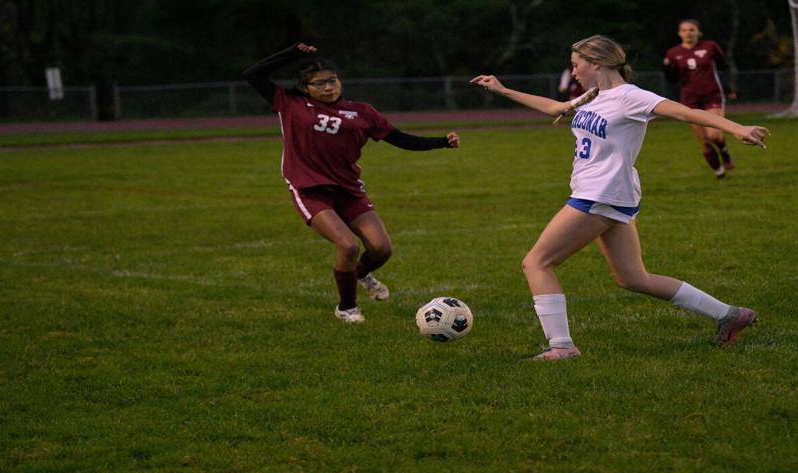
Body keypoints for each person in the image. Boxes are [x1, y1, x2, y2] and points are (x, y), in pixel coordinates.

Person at [470, 35, 769, 361]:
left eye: (576, 64)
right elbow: (555, 108)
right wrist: (502, 90)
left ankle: (562, 347)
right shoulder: (593, 95)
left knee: (537, 262)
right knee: (633, 278)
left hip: (599, 194)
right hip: (611, 195)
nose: (573, 71)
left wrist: (737, 128)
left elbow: (684, 112)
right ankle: (729, 315)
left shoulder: (631, 97)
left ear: (597, 63)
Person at [243, 43, 460, 324]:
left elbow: (400, 139)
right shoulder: (289, 103)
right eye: (318, 83)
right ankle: (347, 308)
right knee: (347, 246)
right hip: (310, 189)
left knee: (381, 249)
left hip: (348, 189)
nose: (328, 87)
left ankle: (358, 275)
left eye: (332, 80)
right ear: (306, 88)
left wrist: (440, 142)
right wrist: (293, 54)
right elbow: (253, 73)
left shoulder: (362, 112)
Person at [662, 19, 737, 179]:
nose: (688, 33)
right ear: (679, 33)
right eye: (684, 30)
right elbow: (673, 79)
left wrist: (728, 88)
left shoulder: (710, 46)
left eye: (692, 30)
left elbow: (724, 67)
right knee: (704, 140)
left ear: (698, 32)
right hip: (690, 99)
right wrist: (667, 68)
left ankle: (724, 152)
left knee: (713, 135)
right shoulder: (673, 53)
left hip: (712, 95)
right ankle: (720, 174)